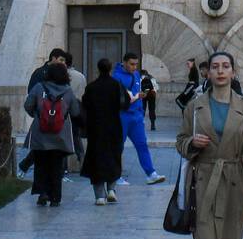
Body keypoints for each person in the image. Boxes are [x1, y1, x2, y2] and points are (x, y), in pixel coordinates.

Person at [175, 51, 243, 239]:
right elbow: (180, 140)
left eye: (226, 66)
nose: (220, 71)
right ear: (207, 73)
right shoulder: (194, 107)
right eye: (215, 67)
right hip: (201, 183)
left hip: (235, 183)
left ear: (233, 72)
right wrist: (192, 143)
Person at [23, 59, 80, 207]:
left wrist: (37, 116)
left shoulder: (38, 87)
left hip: (40, 133)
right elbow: (75, 111)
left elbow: (28, 105)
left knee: (41, 164)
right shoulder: (67, 91)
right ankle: (56, 197)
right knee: (56, 166)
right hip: (60, 134)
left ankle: (42, 193)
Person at [112, 52, 166, 185]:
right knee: (118, 147)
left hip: (136, 116)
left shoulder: (136, 75)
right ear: (124, 63)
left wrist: (140, 110)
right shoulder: (116, 77)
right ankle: (115, 176)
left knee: (142, 145)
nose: (134, 67)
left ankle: (151, 173)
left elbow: (136, 91)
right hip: (122, 115)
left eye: (136, 64)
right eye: (131, 64)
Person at [80, 58, 125, 206]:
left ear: (98, 69)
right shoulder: (116, 85)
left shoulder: (91, 87)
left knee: (96, 159)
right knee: (113, 157)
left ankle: (99, 196)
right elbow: (123, 103)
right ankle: (111, 189)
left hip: (96, 128)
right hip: (113, 127)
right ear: (110, 68)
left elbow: (85, 105)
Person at [18, 48, 69, 177]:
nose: (63, 63)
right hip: (44, 116)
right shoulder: (40, 73)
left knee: (52, 145)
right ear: (53, 58)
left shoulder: (62, 73)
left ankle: (58, 173)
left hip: (57, 116)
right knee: (46, 146)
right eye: (61, 60)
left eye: (64, 61)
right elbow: (32, 94)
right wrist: (38, 113)